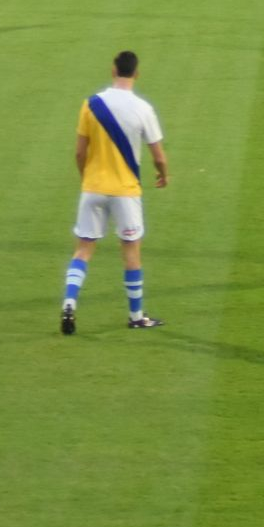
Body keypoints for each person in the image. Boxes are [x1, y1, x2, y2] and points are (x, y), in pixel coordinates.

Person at [60, 50, 169, 334]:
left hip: (92, 188)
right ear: (137, 73)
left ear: (113, 70)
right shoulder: (143, 109)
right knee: (131, 252)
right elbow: (158, 156)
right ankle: (136, 315)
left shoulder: (91, 105)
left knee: (83, 249)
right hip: (125, 191)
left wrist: (88, 179)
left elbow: (79, 152)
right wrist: (163, 174)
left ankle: (70, 302)